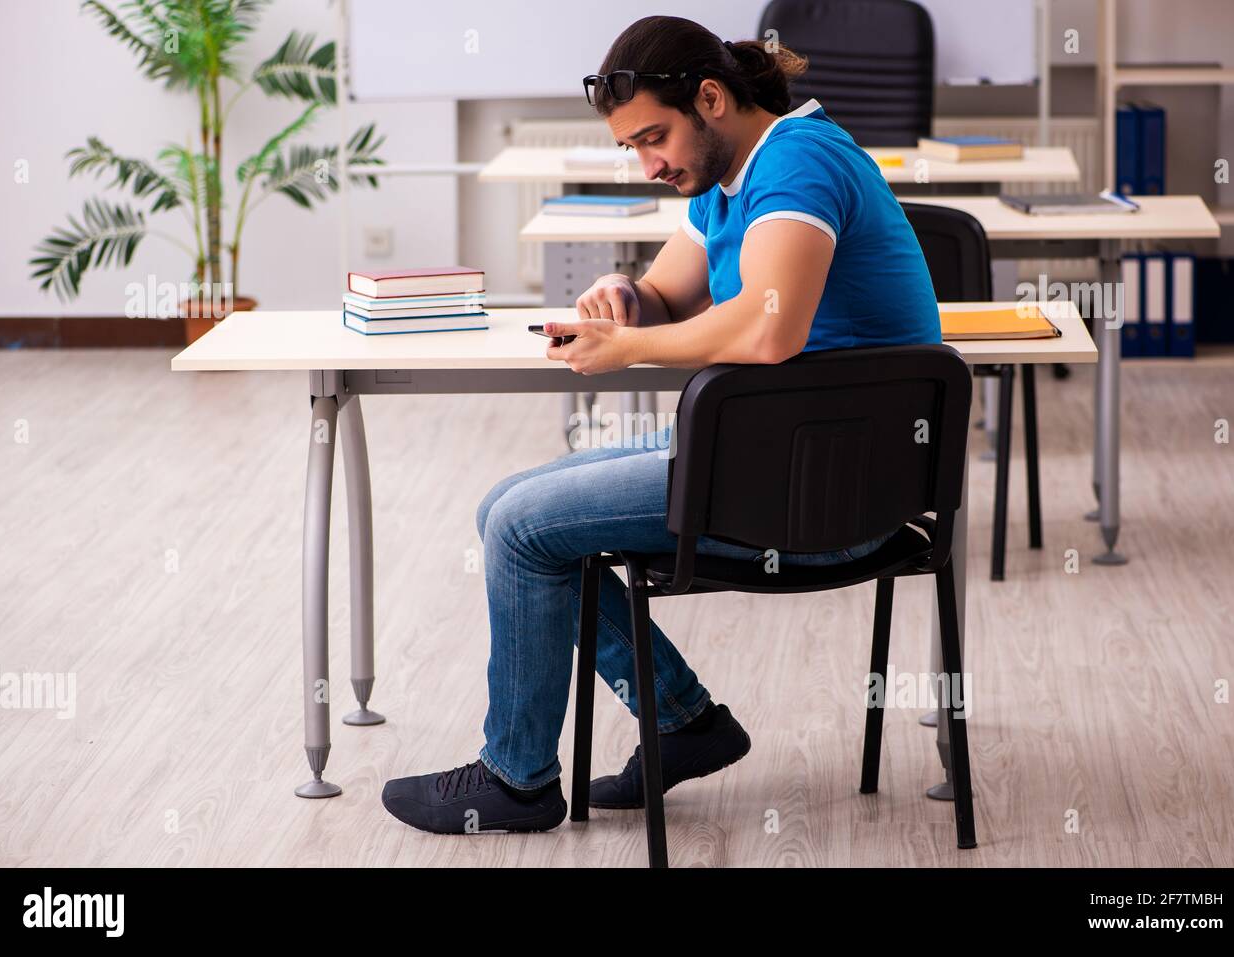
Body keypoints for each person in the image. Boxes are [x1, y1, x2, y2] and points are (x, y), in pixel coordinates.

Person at [382, 14, 942, 834]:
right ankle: (682, 724)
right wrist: (623, 298)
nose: (648, 165)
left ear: (711, 99)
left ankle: (518, 779)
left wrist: (628, 346)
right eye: (632, 147)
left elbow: (769, 328)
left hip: (831, 489)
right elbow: (666, 295)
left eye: (654, 139)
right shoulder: (725, 175)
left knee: (521, 529)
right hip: (777, 451)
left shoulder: (798, 161)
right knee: (505, 510)